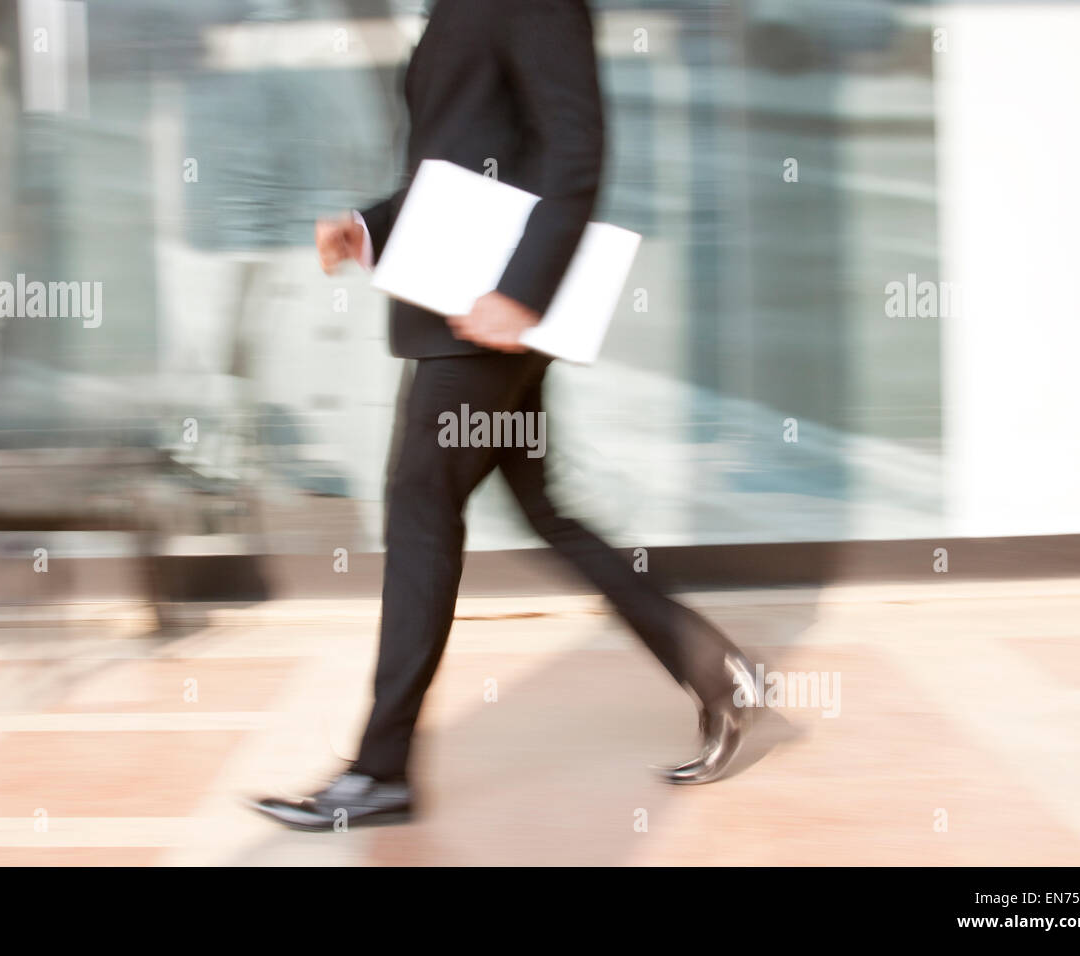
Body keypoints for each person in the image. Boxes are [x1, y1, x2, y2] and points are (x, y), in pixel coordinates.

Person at [249, 0, 758, 832]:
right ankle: (719, 672)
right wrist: (369, 225)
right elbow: (465, 157)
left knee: (419, 509)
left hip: (487, 317)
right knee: (541, 507)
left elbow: (575, 144)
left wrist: (522, 293)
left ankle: (381, 772)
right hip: (468, 303)